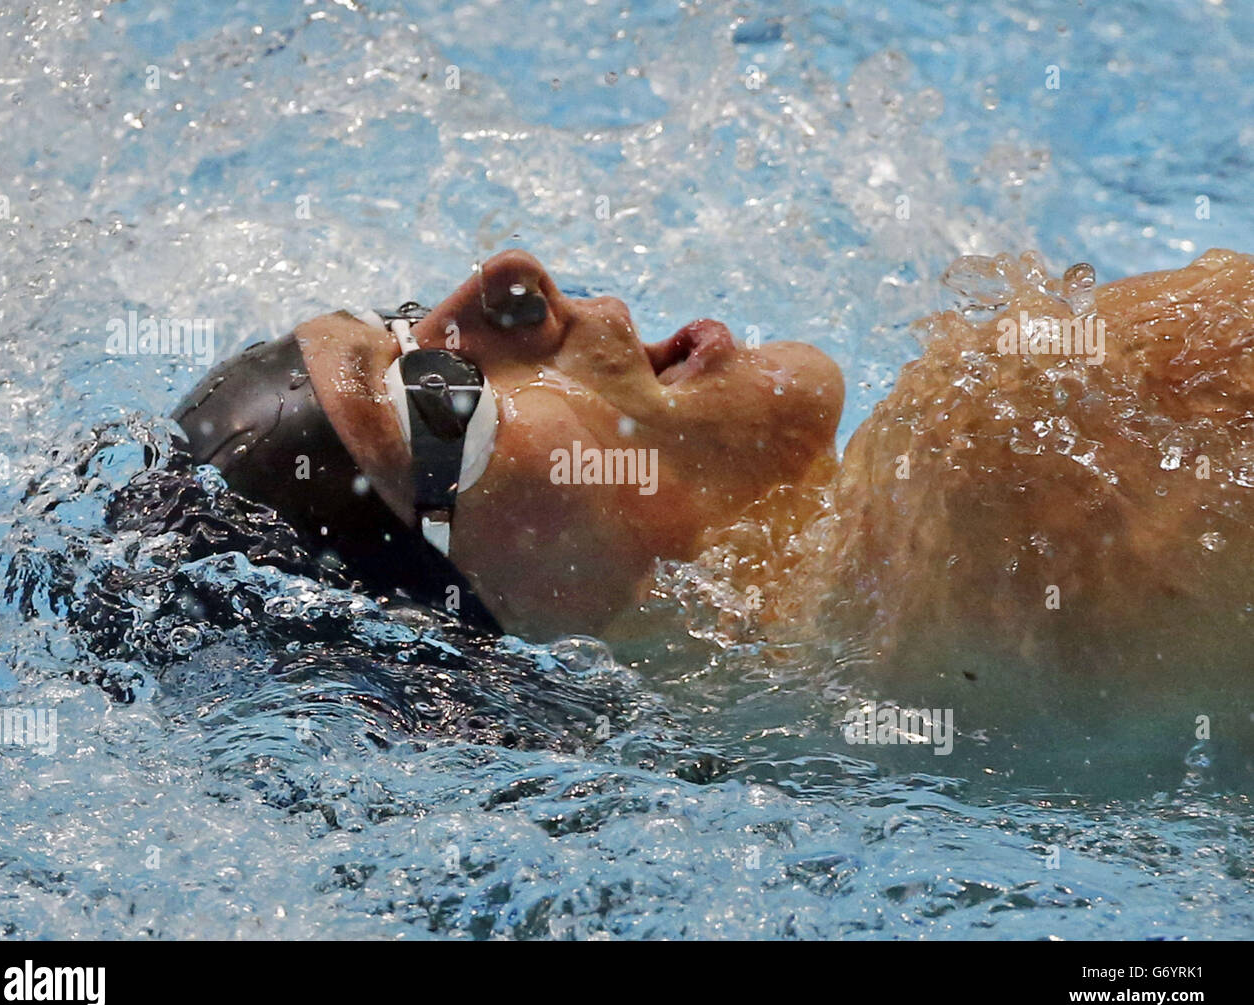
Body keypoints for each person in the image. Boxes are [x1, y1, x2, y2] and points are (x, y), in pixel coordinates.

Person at [172, 247, 1254, 714]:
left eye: (408, 313)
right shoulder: (1023, 443)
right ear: (510, 635)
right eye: (437, 395)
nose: (513, 281)